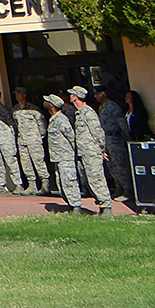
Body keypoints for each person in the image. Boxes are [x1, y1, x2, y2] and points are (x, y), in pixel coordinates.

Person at [67, 86, 117, 215]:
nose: (70, 96)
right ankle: (102, 206)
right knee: (90, 180)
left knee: (97, 179)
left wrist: (101, 149)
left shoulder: (88, 112)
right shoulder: (79, 113)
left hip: (92, 152)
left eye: (71, 94)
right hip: (84, 152)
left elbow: (98, 131)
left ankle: (106, 208)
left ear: (76, 96)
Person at [45, 93, 84, 211]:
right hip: (58, 158)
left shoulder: (61, 120)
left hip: (65, 157)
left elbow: (71, 137)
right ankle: (71, 206)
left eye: (47, 101)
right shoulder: (54, 119)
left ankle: (76, 207)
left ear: (52, 105)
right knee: (61, 184)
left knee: (69, 182)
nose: (45, 102)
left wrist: (76, 155)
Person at [92, 88, 130, 203]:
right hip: (106, 140)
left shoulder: (112, 107)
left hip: (115, 139)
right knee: (111, 166)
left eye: (98, 94)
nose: (95, 96)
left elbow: (121, 123)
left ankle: (127, 189)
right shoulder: (101, 107)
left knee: (120, 164)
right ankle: (119, 187)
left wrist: (127, 138)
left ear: (104, 94)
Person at [14, 89, 50, 195]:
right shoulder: (15, 109)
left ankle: (45, 184)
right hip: (22, 141)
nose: (16, 96)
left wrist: (38, 137)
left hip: (34, 140)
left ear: (24, 95)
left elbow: (42, 125)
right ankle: (32, 185)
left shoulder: (33, 109)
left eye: (18, 94)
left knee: (38, 162)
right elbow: (16, 125)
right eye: (15, 94)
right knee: (26, 163)